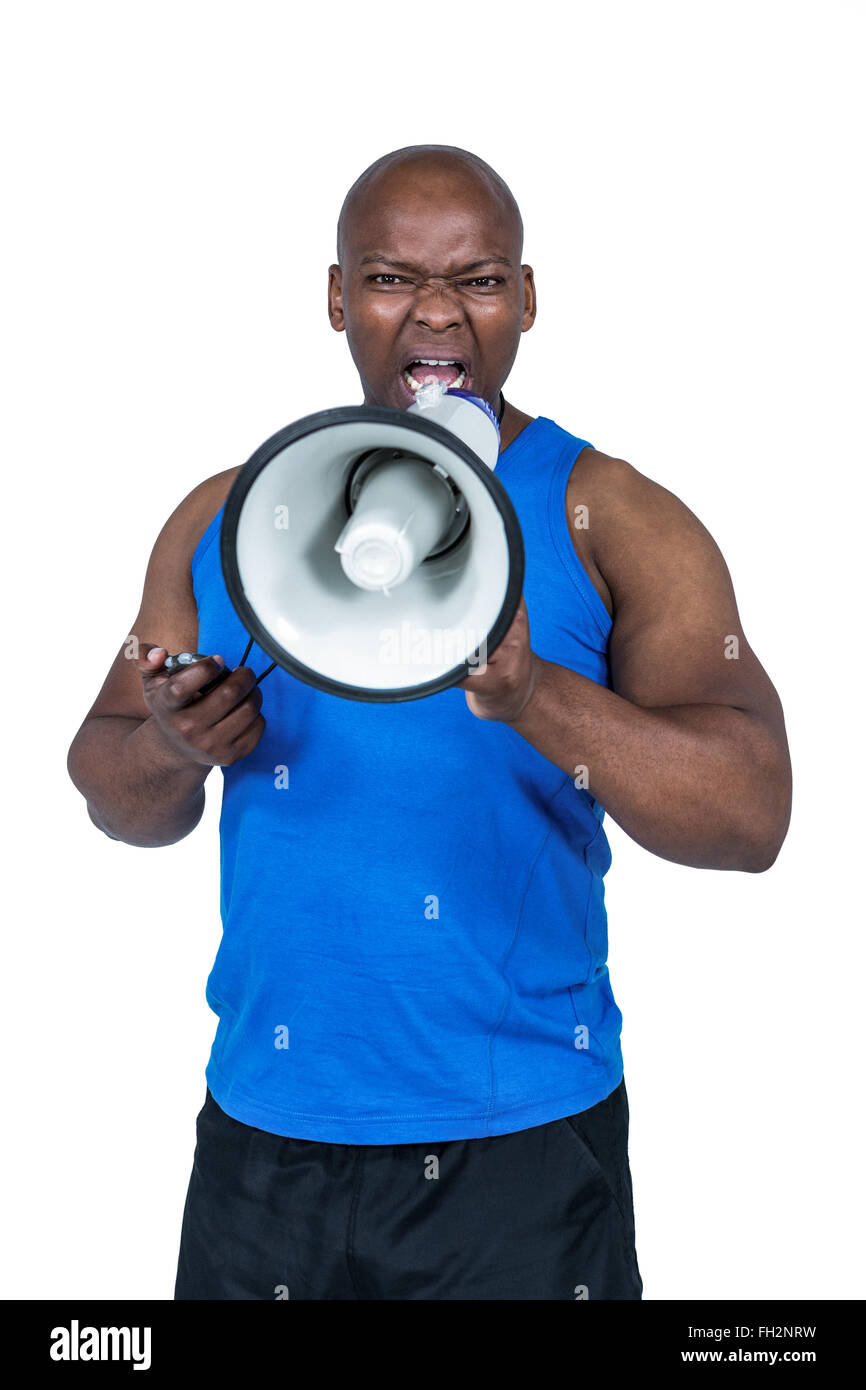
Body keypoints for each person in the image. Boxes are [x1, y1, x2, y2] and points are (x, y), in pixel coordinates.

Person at [66, 143, 792, 1301]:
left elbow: (750, 813)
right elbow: (111, 790)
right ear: (337, 296)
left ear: (529, 298)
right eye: (393, 277)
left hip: (519, 1156)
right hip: (265, 1141)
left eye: (482, 278)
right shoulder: (224, 516)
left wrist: (533, 695)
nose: (439, 312)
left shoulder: (612, 516)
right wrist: (170, 743)